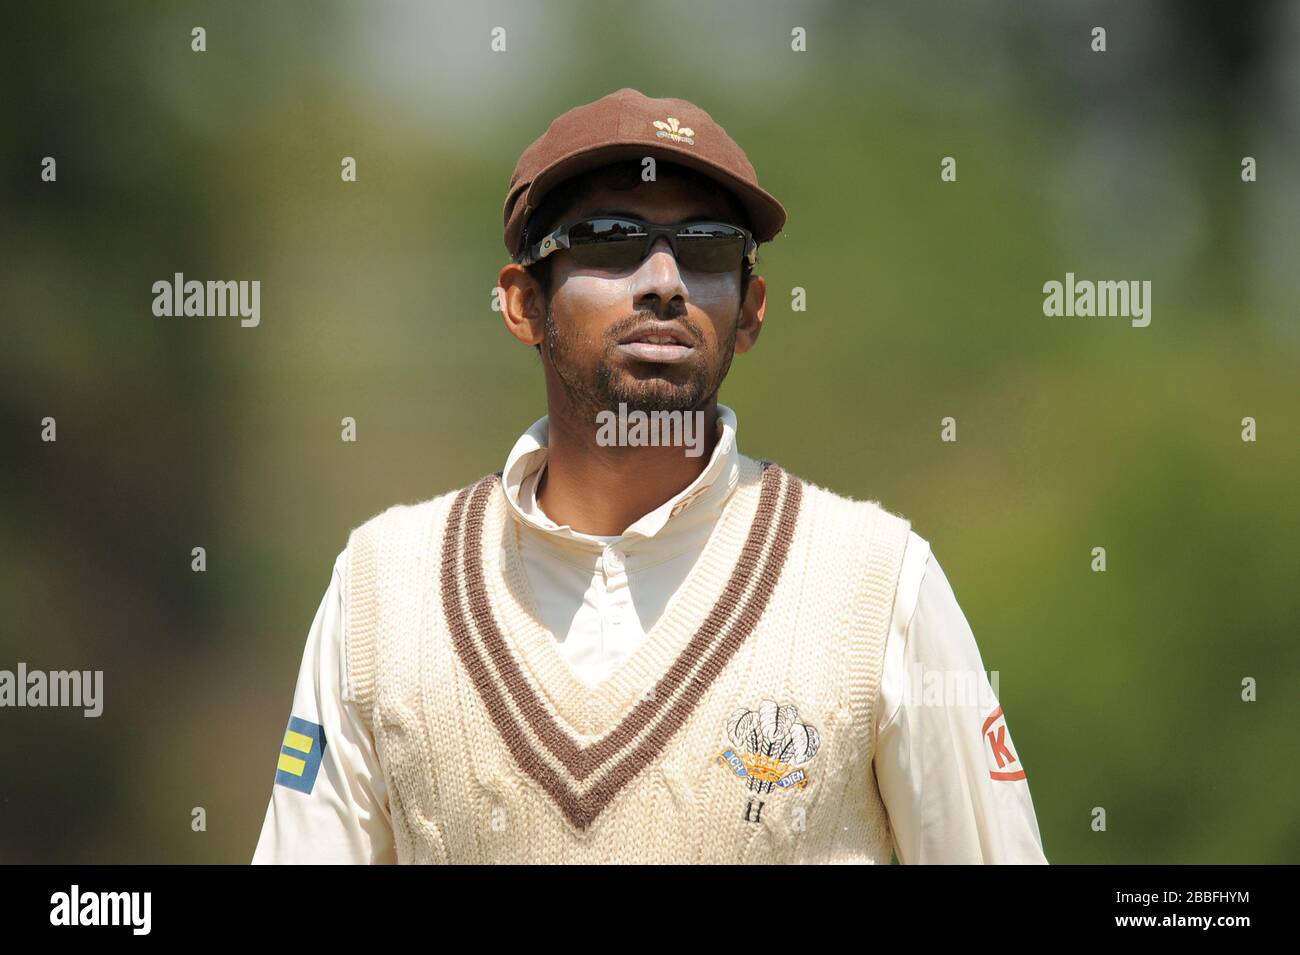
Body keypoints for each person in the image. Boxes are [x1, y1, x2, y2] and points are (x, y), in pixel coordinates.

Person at [253, 87, 1048, 864]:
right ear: (523, 302)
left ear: (751, 310)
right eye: (609, 238)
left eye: (705, 247)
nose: (664, 280)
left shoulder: (878, 590)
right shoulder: (384, 593)